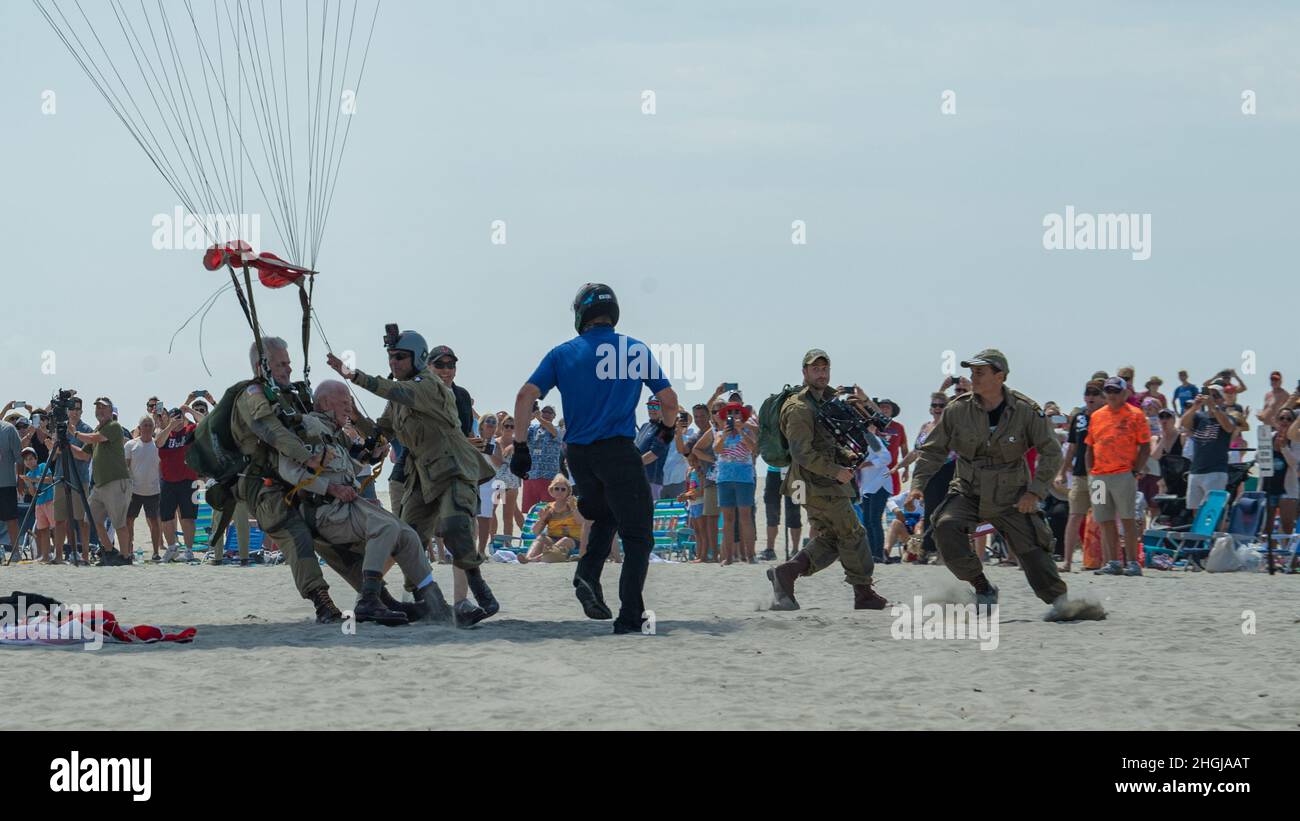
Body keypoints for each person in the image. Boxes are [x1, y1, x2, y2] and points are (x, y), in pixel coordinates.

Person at [509, 283, 679, 634]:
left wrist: (521, 446)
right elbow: (669, 399)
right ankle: (631, 614)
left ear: (580, 314)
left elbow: (526, 395)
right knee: (638, 535)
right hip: (617, 449)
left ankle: (587, 576)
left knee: (603, 516)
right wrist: (666, 431)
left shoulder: (562, 353)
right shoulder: (635, 350)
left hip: (579, 455)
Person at [327, 329, 500, 623]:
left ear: (417, 358)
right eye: (391, 357)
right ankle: (428, 602)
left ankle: (478, 585)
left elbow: (394, 390)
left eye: (400, 357)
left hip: (454, 467)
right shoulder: (398, 398)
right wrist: (355, 417)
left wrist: (352, 375)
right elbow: (382, 431)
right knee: (408, 538)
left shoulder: (427, 385)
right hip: (422, 475)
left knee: (456, 525)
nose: (394, 362)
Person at [275, 380, 466, 626]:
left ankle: (432, 599)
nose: (349, 407)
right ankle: (369, 598)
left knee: (406, 534)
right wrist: (331, 488)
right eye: (344, 402)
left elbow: (343, 468)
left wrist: (370, 456)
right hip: (324, 510)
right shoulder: (308, 427)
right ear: (324, 403)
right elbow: (288, 469)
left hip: (348, 507)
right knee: (385, 527)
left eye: (350, 402)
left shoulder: (334, 436)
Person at [907, 350, 1081, 618]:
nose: (972, 377)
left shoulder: (1026, 411)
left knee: (1034, 551)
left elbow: (1051, 451)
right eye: (971, 372)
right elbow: (933, 451)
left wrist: (1035, 491)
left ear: (1000, 376)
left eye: (980, 372)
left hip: (1013, 495)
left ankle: (1062, 602)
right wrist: (917, 484)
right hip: (968, 490)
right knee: (944, 525)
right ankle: (982, 586)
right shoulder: (957, 409)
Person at [232, 337, 348, 622]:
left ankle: (372, 592)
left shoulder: (288, 395)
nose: (288, 369)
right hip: (265, 488)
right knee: (295, 532)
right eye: (281, 364)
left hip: (297, 482)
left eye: (288, 363)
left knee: (339, 530)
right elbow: (271, 430)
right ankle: (321, 601)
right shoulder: (253, 395)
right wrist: (307, 457)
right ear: (263, 366)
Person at [768, 349, 887, 611]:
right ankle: (863, 592)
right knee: (852, 532)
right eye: (815, 369)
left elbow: (827, 443)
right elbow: (802, 452)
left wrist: (846, 455)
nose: (821, 374)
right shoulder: (798, 407)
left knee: (833, 538)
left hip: (823, 481)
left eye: (825, 369)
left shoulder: (824, 402)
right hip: (812, 483)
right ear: (804, 372)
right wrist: (835, 471)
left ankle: (787, 573)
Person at [1085, 377, 1151, 577]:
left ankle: (1132, 563)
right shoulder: (1096, 416)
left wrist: (1135, 470)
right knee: (1104, 521)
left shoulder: (1136, 415)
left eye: (1115, 390)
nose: (1112, 394)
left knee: (1128, 519)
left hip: (1123, 474)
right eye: (1108, 390)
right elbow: (1089, 446)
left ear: (1124, 393)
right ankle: (1112, 562)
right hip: (1098, 476)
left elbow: (1145, 446)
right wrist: (1090, 474)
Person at [893, 392, 954, 561]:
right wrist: (900, 465)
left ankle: (941, 553)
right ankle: (929, 550)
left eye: (941, 405)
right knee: (929, 514)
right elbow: (916, 451)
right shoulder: (925, 426)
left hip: (946, 471)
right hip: (927, 474)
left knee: (942, 514)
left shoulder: (949, 426)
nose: (937, 408)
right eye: (934, 405)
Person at [76, 397, 134, 564]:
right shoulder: (97, 430)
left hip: (116, 481)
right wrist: (63, 445)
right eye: (98, 407)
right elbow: (83, 455)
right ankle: (109, 551)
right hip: (100, 485)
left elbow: (95, 438)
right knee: (91, 519)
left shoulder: (114, 426)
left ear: (111, 411)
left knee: (119, 522)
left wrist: (75, 433)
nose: (100, 410)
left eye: (104, 407)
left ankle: (125, 557)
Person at [1054, 380, 1103, 571]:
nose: (1090, 397)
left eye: (1095, 393)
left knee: (1101, 516)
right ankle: (1067, 561)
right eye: (1088, 393)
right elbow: (1072, 448)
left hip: (1100, 477)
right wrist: (1061, 472)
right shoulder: (1079, 418)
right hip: (1079, 476)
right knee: (1074, 516)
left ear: (1102, 397)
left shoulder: (1106, 417)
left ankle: (1102, 560)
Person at [1179, 384, 1241, 524]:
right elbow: (1184, 423)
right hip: (1196, 471)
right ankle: (1200, 540)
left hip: (1215, 471)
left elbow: (1228, 427)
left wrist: (1214, 407)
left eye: (1215, 395)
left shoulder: (1228, 417)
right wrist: (1195, 406)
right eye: (1209, 394)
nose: (1211, 397)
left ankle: (1214, 539)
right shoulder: (1200, 417)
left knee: (1213, 511)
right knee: (1196, 511)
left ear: (1221, 399)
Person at [712, 402, 757, 564]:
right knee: (728, 518)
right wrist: (725, 435)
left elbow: (752, 448)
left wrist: (741, 431)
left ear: (742, 415)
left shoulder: (747, 430)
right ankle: (728, 557)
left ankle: (750, 555)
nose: (734, 414)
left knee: (745, 517)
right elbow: (717, 450)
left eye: (737, 411)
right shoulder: (719, 432)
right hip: (724, 478)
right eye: (730, 412)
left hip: (744, 477)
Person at [155, 405, 201, 562]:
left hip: (189, 479)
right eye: (175, 417)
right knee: (166, 517)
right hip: (168, 481)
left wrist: (190, 410)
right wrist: (170, 426)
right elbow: (158, 443)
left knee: (188, 517)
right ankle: (172, 548)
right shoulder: (164, 433)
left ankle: (188, 550)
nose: (178, 421)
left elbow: (205, 422)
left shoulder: (189, 431)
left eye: (179, 417)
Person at [124, 416, 164, 561]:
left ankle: (155, 551)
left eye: (149, 425)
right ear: (139, 428)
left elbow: (162, 467)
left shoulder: (158, 445)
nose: (147, 428)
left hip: (153, 491)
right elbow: (125, 467)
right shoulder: (130, 445)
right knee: (129, 520)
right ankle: (129, 550)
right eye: (144, 425)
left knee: (154, 521)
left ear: (153, 428)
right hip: (134, 491)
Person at [522, 474, 587, 563]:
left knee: (565, 540)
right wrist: (541, 519)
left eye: (563, 489)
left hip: (573, 540)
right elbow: (535, 532)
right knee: (541, 537)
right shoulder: (548, 508)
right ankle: (528, 558)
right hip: (553, 539)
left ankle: (536, 558)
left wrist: (573, 509)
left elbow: (581, 522)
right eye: (556, 488)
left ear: (568, 492)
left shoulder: (574, 504)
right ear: (551, 491)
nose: (559, 491)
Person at [522, 404, 563, 512]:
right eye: (544, 411)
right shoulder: (532, 428)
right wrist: (528, 419)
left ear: (554, 416)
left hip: (548, 476)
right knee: (530, 512)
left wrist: (539, 417)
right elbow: (522, 438)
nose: (546, 414)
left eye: (550, 412)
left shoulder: (557, 429)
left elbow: (552, 430)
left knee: (549, 511)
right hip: (530, 475)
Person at [20, 448, 56, 562]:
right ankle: (46, 555)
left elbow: (49, 480)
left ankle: (57, 552)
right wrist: (29, 482)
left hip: (50, 501)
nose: (29, 462)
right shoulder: (28, 474)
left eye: (31, 458)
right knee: (43, 529)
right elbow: (33, 493)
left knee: (55, 528)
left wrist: (32, 479)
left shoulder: (42, 466)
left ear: (36, 459)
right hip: (39, 504)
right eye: (26, 460)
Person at [635, 397, 671, 500]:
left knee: (649, 514)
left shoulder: (666, 429)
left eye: (656, 406)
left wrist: (633, 465)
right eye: (650, 406)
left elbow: (654, 454)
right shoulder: (644, 426)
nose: (652, 409)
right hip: (637, 478)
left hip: (652, 481)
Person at [0, 416, 21, 555]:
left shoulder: (8, 429)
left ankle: (15, 553)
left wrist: (20, 480)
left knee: (11, 519)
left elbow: (19, 458)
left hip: (6, 483)